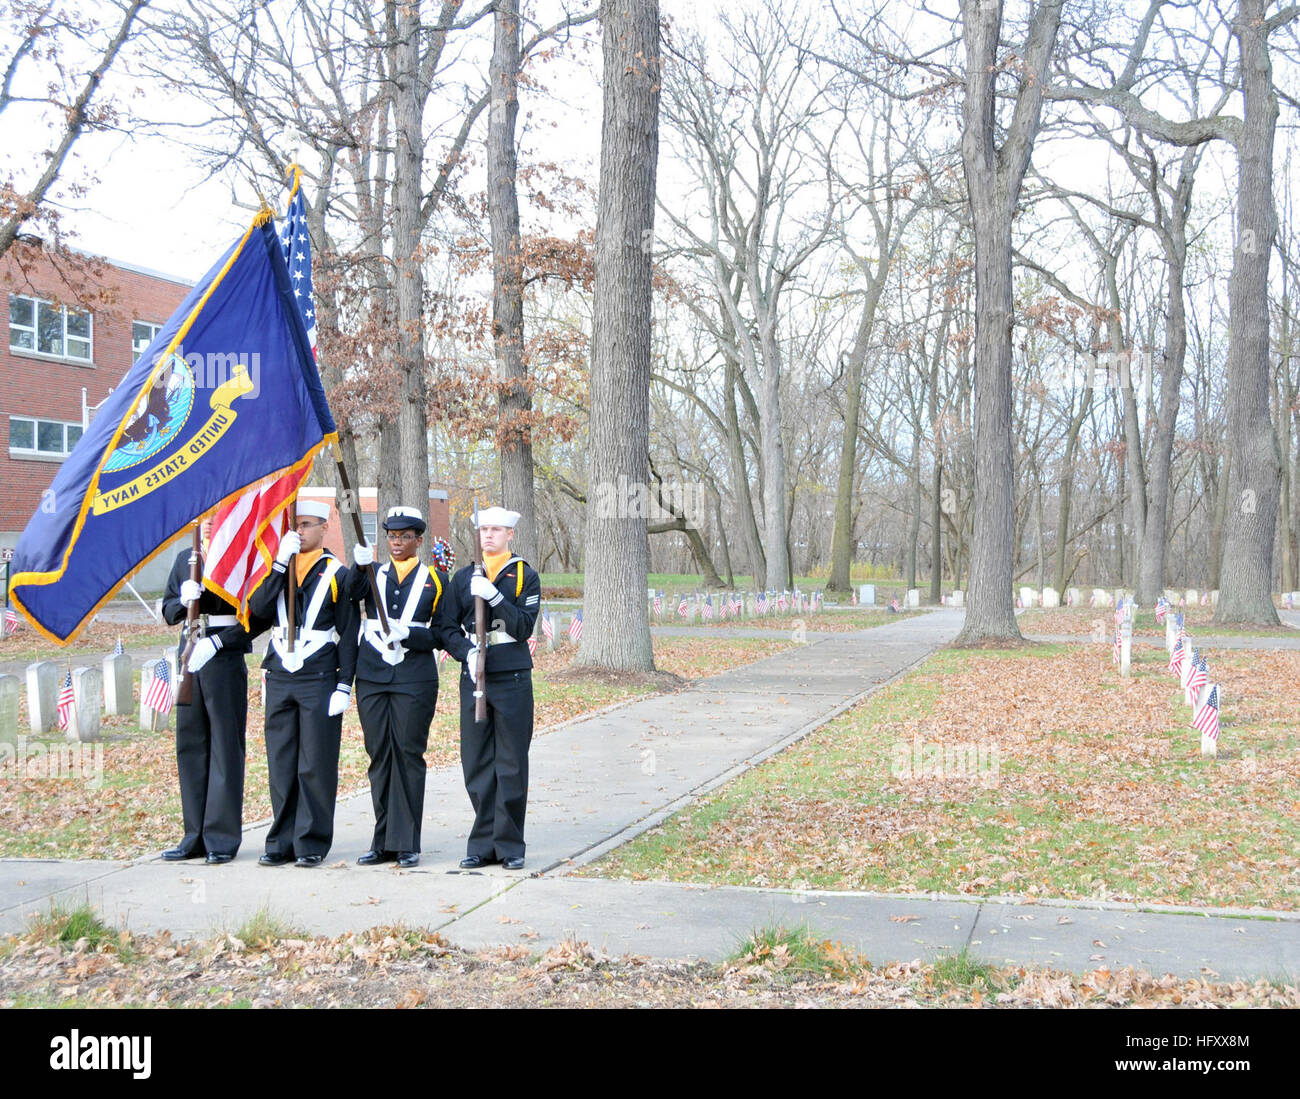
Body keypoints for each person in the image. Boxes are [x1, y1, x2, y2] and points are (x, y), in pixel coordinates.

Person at [244, 500, 357, 868]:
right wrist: (279, 564)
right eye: (296, 525)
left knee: (315, 762)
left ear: (324, 528)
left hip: (318, 675)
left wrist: (344, 685)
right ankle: (281, 840)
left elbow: (349, 630)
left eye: (307, 524)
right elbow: (258, 611)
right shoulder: (279, 566)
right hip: (280, 674)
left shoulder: (336, 573)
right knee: (281, 761)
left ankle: (311, 841)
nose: (300, 531)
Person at [348, 506, 454, 869]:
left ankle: (406, 841)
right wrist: (355, 565)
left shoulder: (435, 579)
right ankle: (382, 841)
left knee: (407, 754)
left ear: (418, 541)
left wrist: (412, 633)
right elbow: (347, 596)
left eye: (405, 537)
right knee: (379, 755)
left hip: (414, 677)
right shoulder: (371, 572)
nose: (396, 542)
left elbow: (443, 633)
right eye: (392, 536)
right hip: (373, 676)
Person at [441, 506, 540, 871]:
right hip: (475, 675)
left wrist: (496, 598)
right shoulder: (464, 577)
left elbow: (524, 627)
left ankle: (510, 844)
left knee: (511, 762)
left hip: (511, 675)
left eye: (496, 530)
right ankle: (482, 844)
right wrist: (465, 653)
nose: (489, 536)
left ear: (509, 535)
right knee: (477, 761)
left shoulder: (524, 577)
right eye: (484, 530)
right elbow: (445, 626)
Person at [160, 517, 253, 864]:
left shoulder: (239, 556)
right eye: (206, 517)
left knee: (224, 747)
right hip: (188, 652)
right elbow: (169, 608)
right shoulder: (186, 557)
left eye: (218, 515)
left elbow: (253, 617)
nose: (211, 523)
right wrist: (182, 602)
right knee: (191, 744)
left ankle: (222, 838)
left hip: (222, 654)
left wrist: (218, 642)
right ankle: (194, 836)